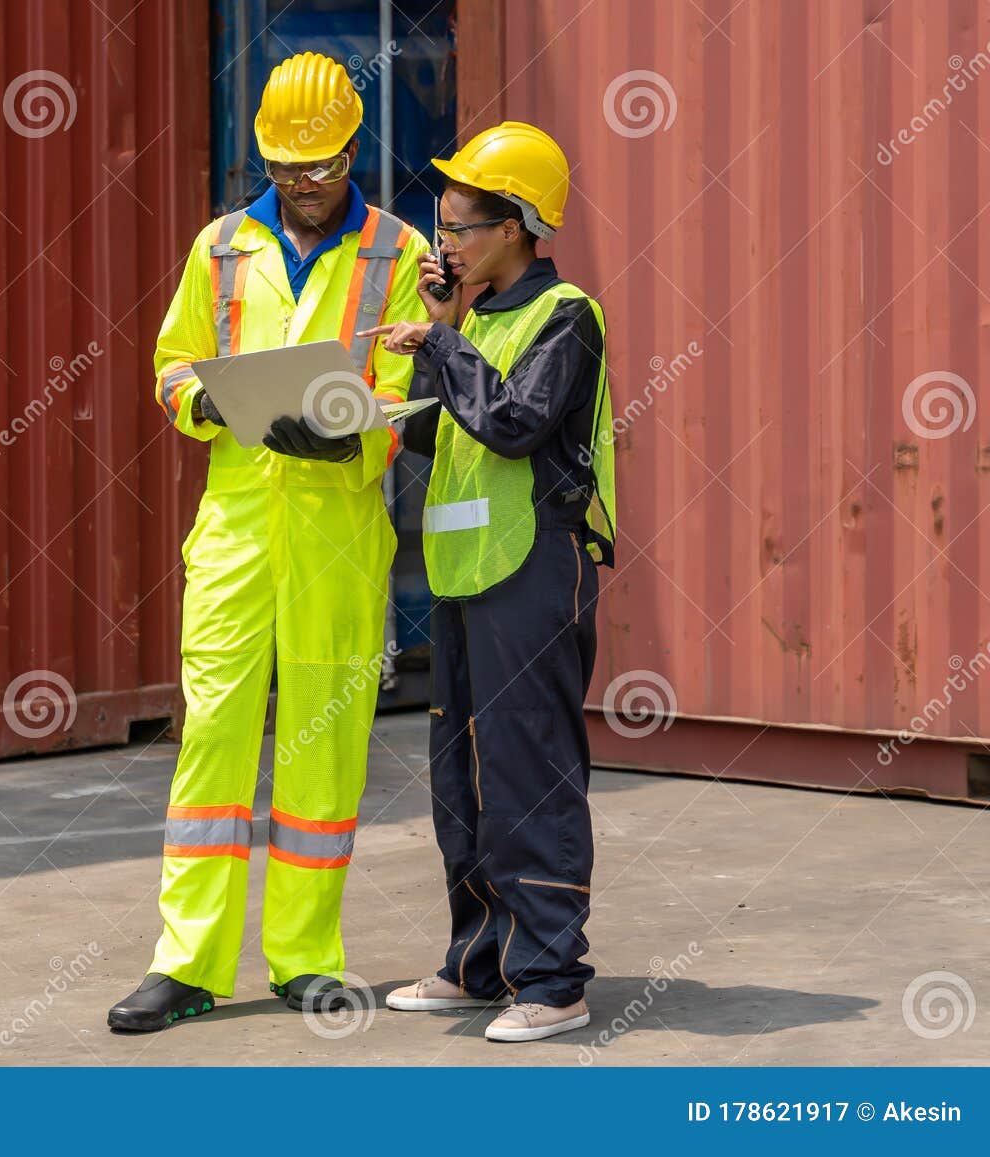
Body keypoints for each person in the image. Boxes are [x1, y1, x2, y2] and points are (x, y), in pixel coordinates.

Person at [107, 52, 431, 1032]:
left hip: (337, 523)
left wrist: (350, 423)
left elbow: (416, 388)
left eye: (320, 165)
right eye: (285, 166)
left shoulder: (398, 254)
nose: (301, 182)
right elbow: (169, 368)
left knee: (323, 744)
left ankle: (305, 957)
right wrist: (211, 402)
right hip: (239, 524)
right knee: (210, 733)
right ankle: (188, 962)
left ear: (351, 151)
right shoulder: (218, 248)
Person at [357, 121, 617, 1043]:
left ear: (517, 225)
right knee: (460, 776)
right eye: (444, 229)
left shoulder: (565, 316)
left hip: (537, 567)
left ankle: (550, 977)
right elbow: (444, 433)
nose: (446, 245)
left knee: (530, 772)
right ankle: (480, 960)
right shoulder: (479, 320)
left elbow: (513, 422)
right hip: (467, 571)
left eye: (461, 229)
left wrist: (440, 339)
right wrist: (423, 357)